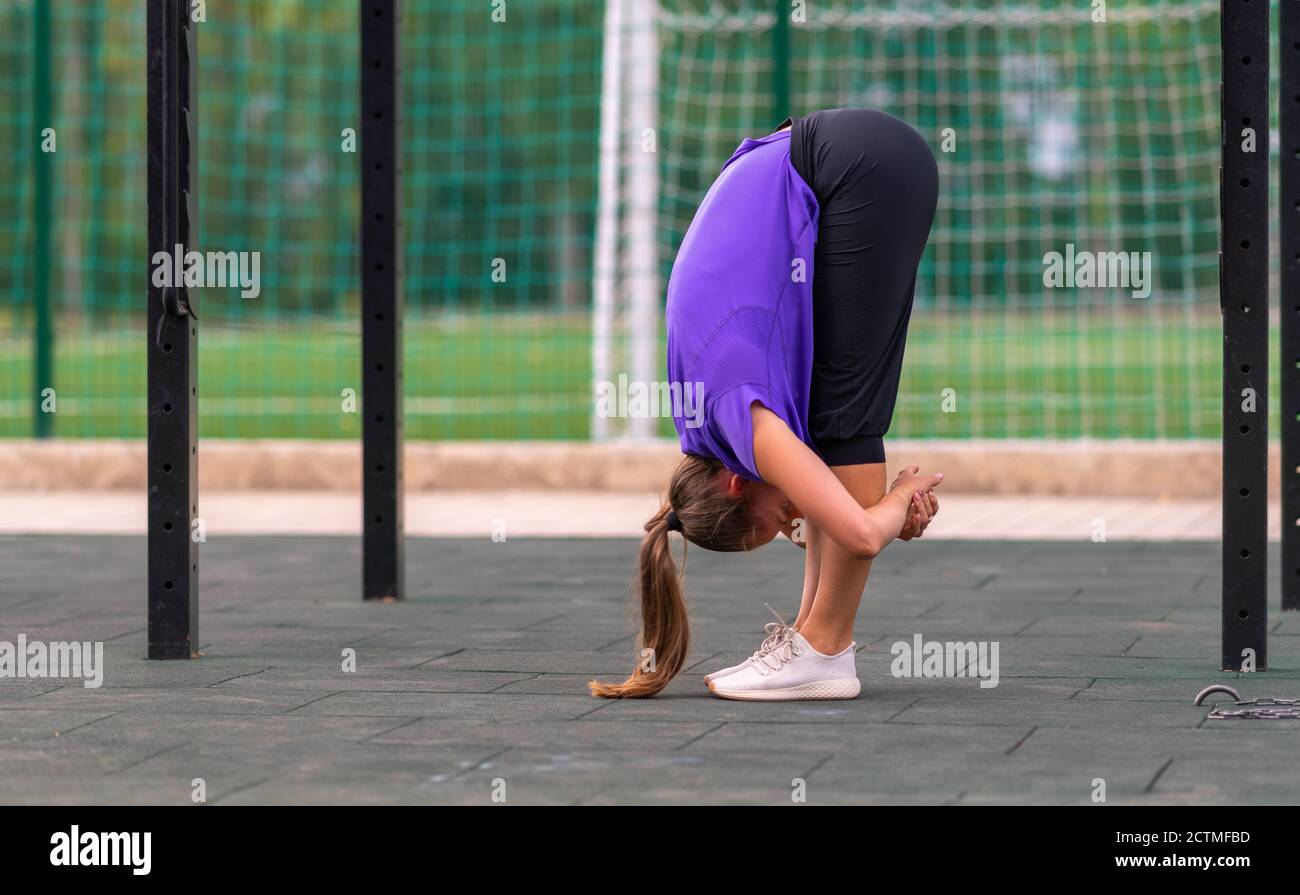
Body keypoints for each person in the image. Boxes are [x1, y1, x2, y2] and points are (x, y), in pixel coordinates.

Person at [590, 108, 942, 700]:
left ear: (735, 485)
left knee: (844, 422)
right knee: (830, 423)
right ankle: (808, 639)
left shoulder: (738, 416)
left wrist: (897, 499)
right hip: (840, 156)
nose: (795, 519)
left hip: (855, 167)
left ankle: (825, 649)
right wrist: (875, 518)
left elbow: (857, 536)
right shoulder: (704, 419)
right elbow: (838, 515)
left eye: (779, 520)